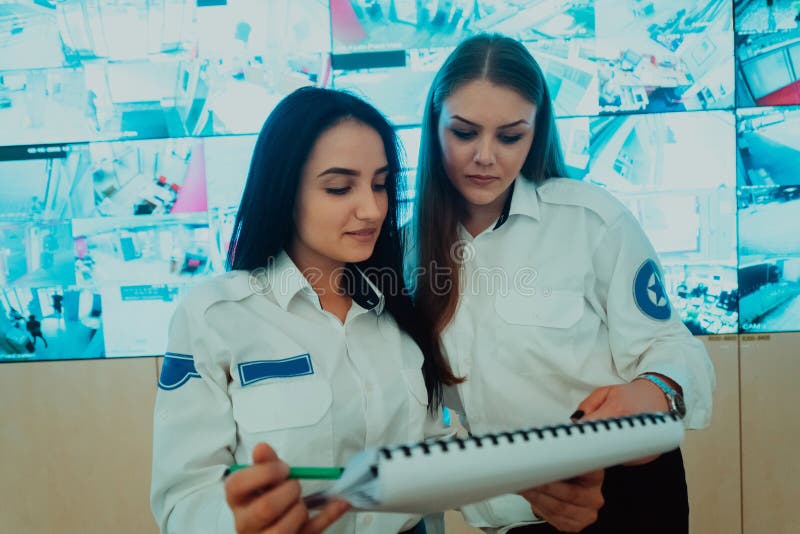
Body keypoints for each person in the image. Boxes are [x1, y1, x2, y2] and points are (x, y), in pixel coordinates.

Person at [409, 34, 715, 533]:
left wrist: (654, 391)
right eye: (464, 133)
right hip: (515, 512)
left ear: (537, 132)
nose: (485, 156)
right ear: (434, 124)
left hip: (625, 496)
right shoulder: (406, 255)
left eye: (510, 137)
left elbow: (673, 346)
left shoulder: (592, 220)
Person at [150, 87, 461, 534]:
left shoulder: (398, 312)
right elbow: (183, 498)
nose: (372, 209)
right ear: (284, 191)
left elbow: (434, 462)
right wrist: (241, 523)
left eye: (380, 184)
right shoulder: (216, 316)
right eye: (339, 188)